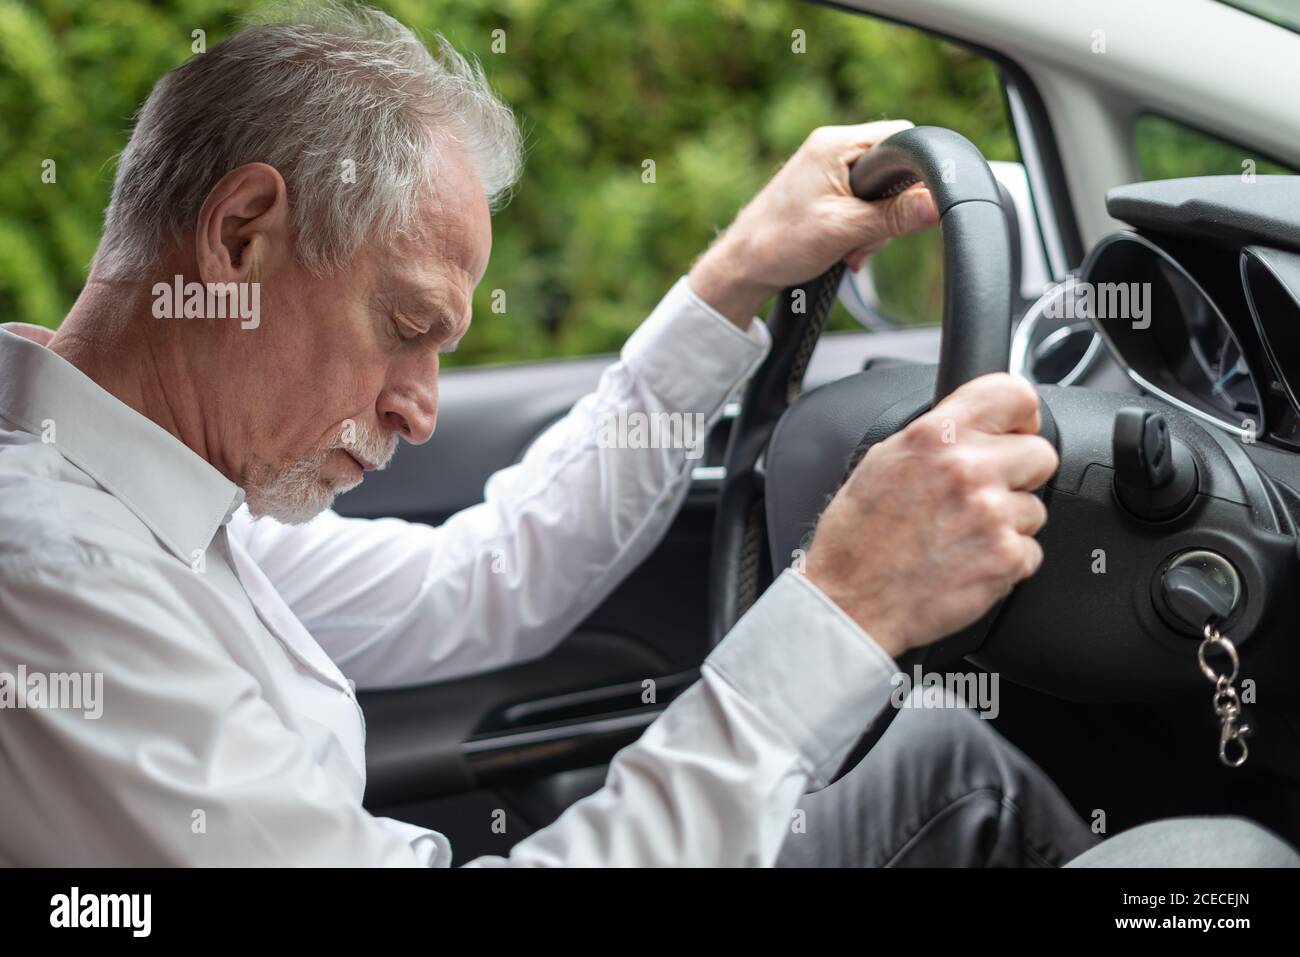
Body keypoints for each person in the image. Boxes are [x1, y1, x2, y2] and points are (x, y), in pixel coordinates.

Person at [1, 1, 1294, 868]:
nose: (421, 403)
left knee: (950, 759)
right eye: (405, 323)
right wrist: (846, 603)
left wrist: (730, 286)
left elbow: (485, 582)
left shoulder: (151, 493)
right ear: (239, 237)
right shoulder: (53, 585)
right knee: (1225, 866)